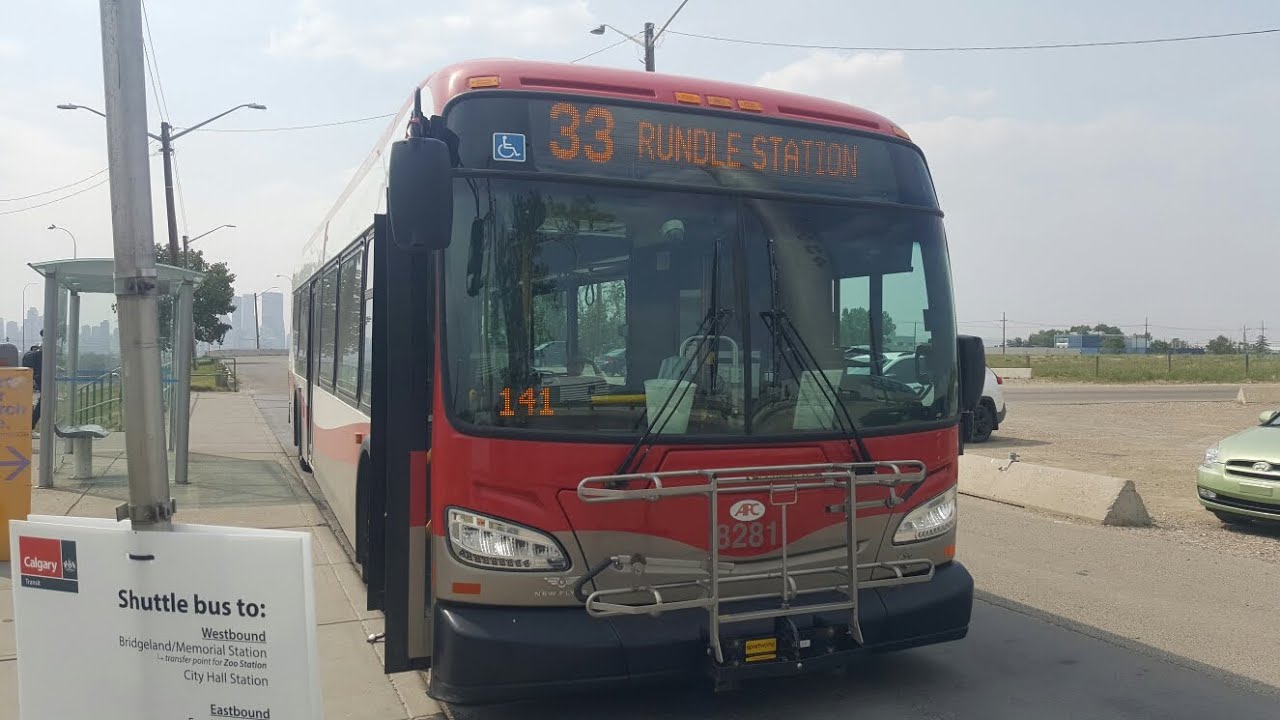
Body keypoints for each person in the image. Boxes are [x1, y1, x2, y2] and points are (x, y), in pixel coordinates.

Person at [22, 332, 42, 432]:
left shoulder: (30, 355)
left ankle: (30, 426)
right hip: (39, 379)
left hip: (32, 379)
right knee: (42, 403)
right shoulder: (39, 354)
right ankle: (30, 427)